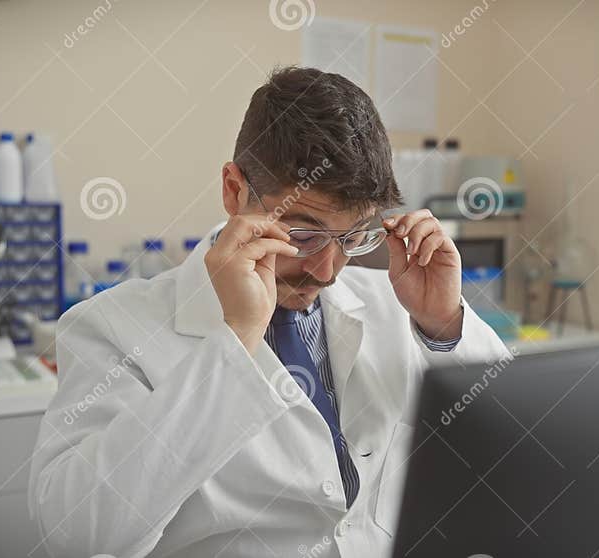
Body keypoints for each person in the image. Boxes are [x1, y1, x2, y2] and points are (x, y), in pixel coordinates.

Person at [28, 66, 510, 558]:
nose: (327, 270)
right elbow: (75, 534)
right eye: (303, 233)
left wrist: (445, 325)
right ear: (235, 191)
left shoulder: (398, 305)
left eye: (352, 236)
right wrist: (234, 342)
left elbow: (511, 455)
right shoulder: (113, 326)